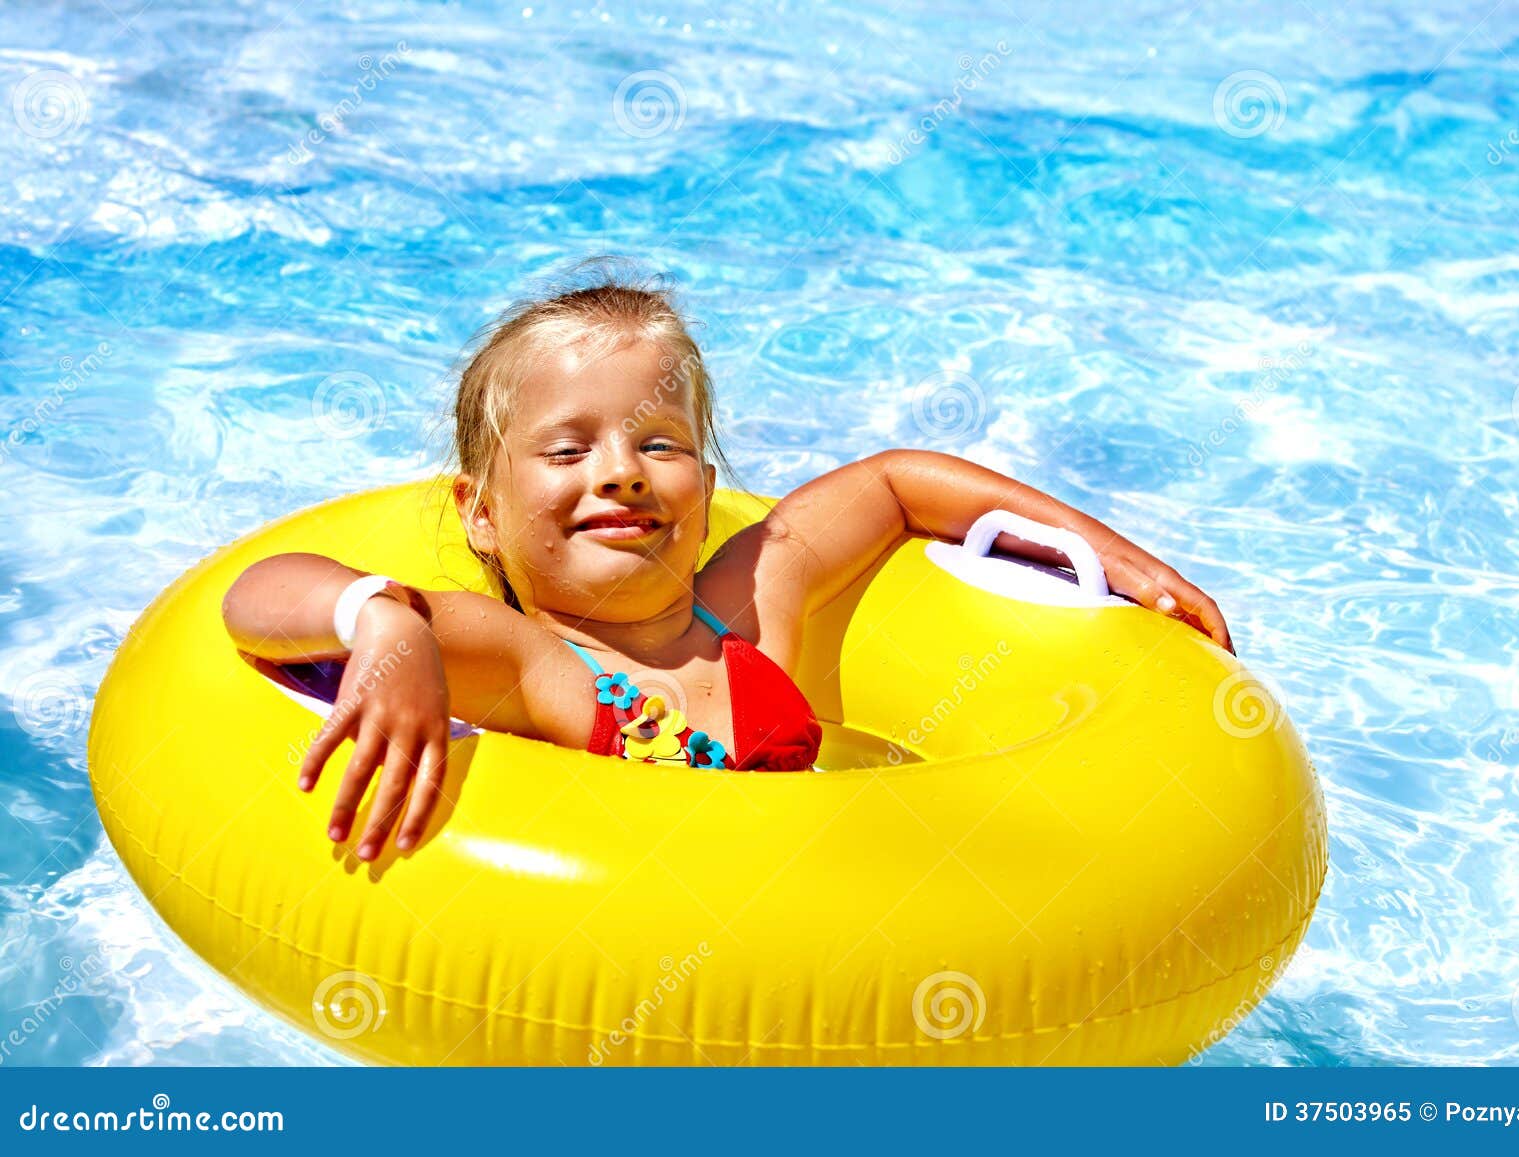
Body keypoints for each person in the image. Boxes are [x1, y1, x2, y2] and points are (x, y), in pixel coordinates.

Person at [222, 262, 1231, 863]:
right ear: (479, 512)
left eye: (657, 445)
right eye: (569, 451)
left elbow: (892, 483)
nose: (619, 473)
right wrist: (384, 617)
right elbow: (256, 595)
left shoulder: (749, 612)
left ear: (703, 490)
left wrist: (1131, 565)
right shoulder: (532, 662)